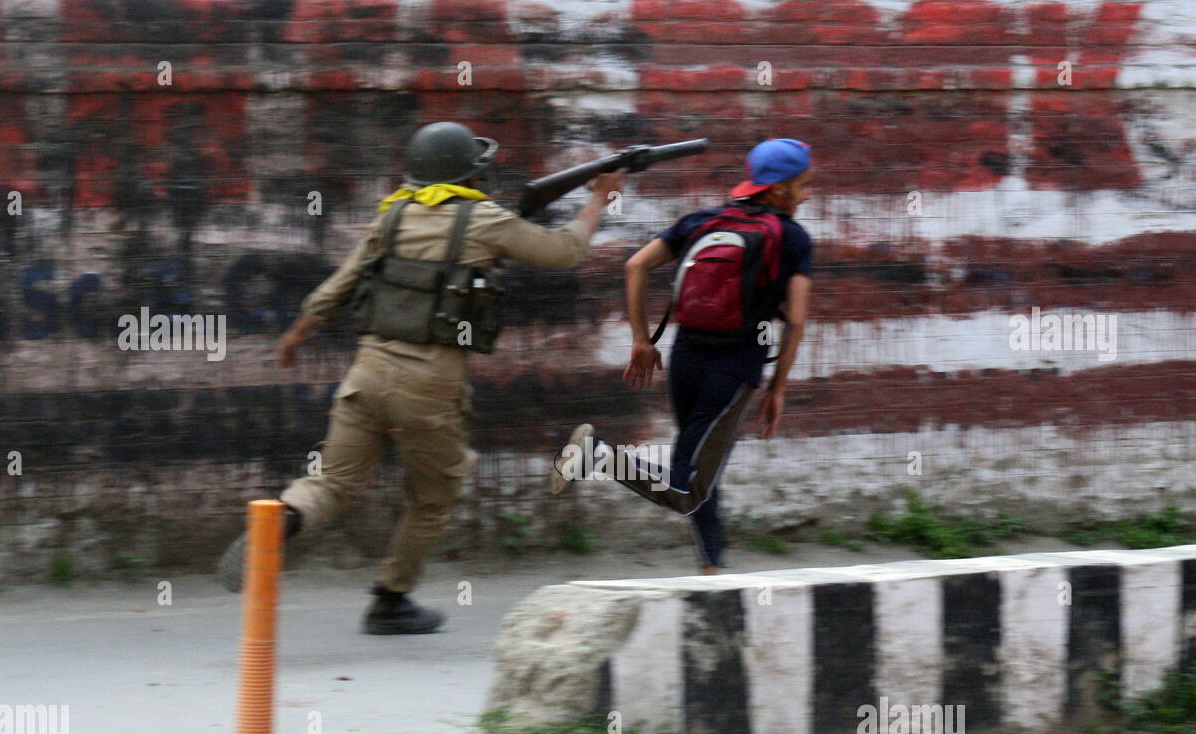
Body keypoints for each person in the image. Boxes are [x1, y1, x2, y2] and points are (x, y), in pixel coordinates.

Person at [217, 121, 625, 633]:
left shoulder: (392, 217)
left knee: (332, 482)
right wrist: (599, 200)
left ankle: (284, 517)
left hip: (367, 371)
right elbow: (564, 252)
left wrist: (298, 332)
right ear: (465, 172)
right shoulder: (483, 218)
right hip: (429, 382)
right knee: (435, 494)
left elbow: (337, 286)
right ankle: (391, 598)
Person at [552, 138, 812, 574]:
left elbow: (635, 265)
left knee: (696, 467)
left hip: (686, 359)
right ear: (779, 189)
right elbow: (798, 319)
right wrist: (778, 387)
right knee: (688, 485)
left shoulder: (703, 221)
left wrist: (641, 340)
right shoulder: (793, 238)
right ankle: (596, 454)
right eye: (803, 186)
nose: (807, 194)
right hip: (734, 370)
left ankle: (711, 568)